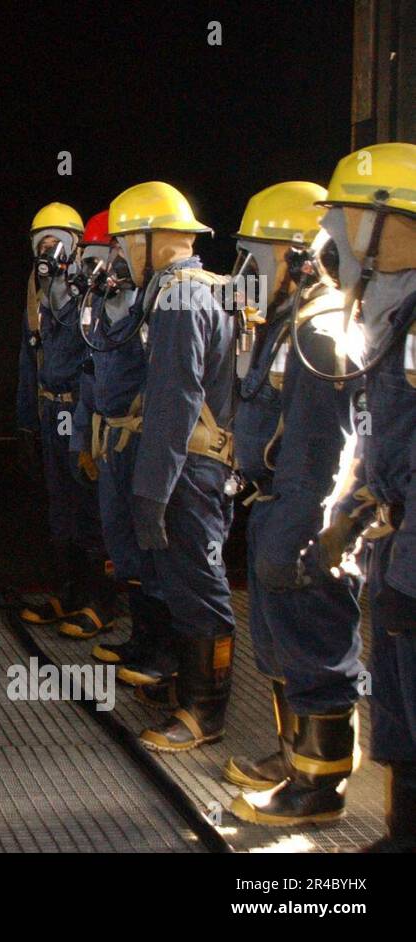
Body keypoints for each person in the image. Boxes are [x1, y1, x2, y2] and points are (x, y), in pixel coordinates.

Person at [211, 182, 365, 825]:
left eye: (261, 256)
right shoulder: (283, 322)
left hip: (300, 510)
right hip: (275, 502)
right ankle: (293, 758)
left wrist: (297, 534)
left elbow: (324, 448)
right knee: (279, 647)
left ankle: (319, 790)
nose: (249, 272)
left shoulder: (321, 327)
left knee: (315, 651)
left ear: (299, 257)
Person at [311, 143, 416, 850]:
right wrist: (347, 510)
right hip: (394, 545)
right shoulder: (387, 316)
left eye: (347, 217)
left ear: (389, 219)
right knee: (401, 707)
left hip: (412, 549)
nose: (337, 238)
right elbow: (373, 431)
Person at [109, 181, 239, 753]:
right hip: (195, 466)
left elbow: (174, 400)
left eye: (125, 242)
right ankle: (187, 688)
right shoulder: (189, 290)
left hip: (189, 467)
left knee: (200, 589)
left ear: (154, 241)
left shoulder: (179, 298)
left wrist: (151, 491)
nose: (120, 255)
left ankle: (203, 713)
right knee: (185, 583)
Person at [69, 212, 174, 677]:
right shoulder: (102, 308)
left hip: (141, 438)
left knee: (154, 546)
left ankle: (165, 654)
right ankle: (141, 639)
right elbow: (89, 375)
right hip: (110, 437)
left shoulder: (157, 307)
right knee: (121, 538)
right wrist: (82, 436)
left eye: (115, 252)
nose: (105, 266)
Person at [18, 203, 116, 638]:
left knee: (90, 507)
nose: (49, 249)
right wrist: (26, 422)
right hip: (49, 408)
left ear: (77, 246)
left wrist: (91, 421)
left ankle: (102, 602)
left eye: (57, 241)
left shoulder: (94, 293)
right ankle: (69, 592)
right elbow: (28, 355)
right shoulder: (38, 291)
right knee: (60, 508)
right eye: (42, 241)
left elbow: (102, 361)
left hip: (80, 411)